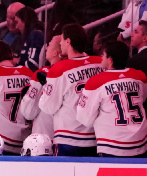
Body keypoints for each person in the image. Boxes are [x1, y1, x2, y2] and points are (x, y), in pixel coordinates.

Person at [76, 40, 147, 158]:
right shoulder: (139, 76)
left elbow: (84, 118)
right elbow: (142, 98)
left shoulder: (96, 81)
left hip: (112, 144)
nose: (101, 58)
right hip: (141, 142)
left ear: (110, 59)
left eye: (103, 55)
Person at [38, 24, 104, 156]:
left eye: (62, 40)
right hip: (96, 136)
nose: (61, 43)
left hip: (68, 137)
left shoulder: (59, 68)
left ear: (68, 42)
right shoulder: (100, 63)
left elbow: (48, 107)